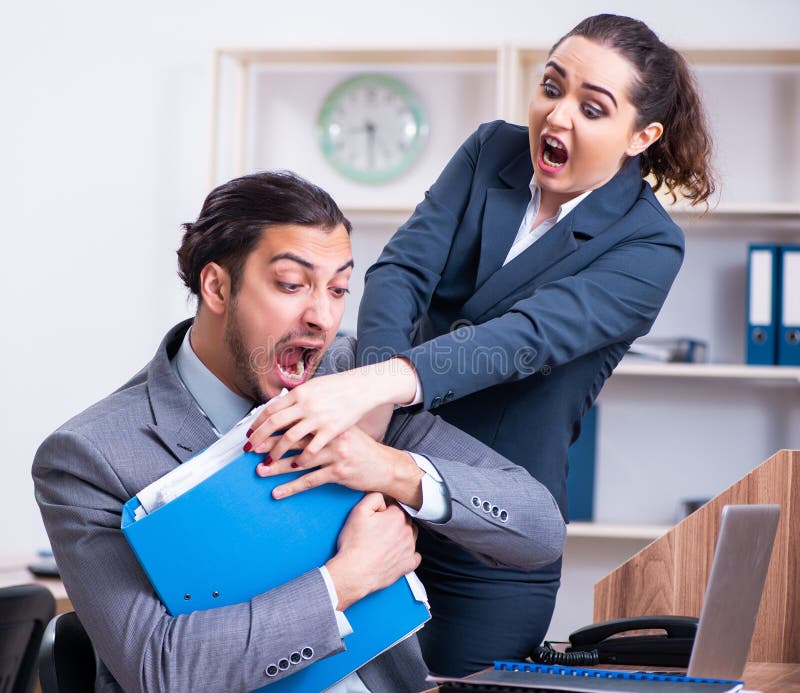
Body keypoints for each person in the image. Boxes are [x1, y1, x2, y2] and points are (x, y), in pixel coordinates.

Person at [243, 14, 716, 676]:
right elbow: (401, 270)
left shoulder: (649, 243)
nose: (557, 115)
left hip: (490, 536)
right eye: (551, 87)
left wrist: (373, 387)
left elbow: (523, 338)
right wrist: (375, 416)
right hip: (371, 491)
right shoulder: (493, 149)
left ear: (643, 136)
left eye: (592, 108)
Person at [32, 170, 565, 693]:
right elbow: (161, 672)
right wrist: (347, 580)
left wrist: (388, 467)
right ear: (217, 286)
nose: (322, 317)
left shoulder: (349, 381)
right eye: (291, 285)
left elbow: (539, 529)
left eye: (338, 289)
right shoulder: (89, 456)